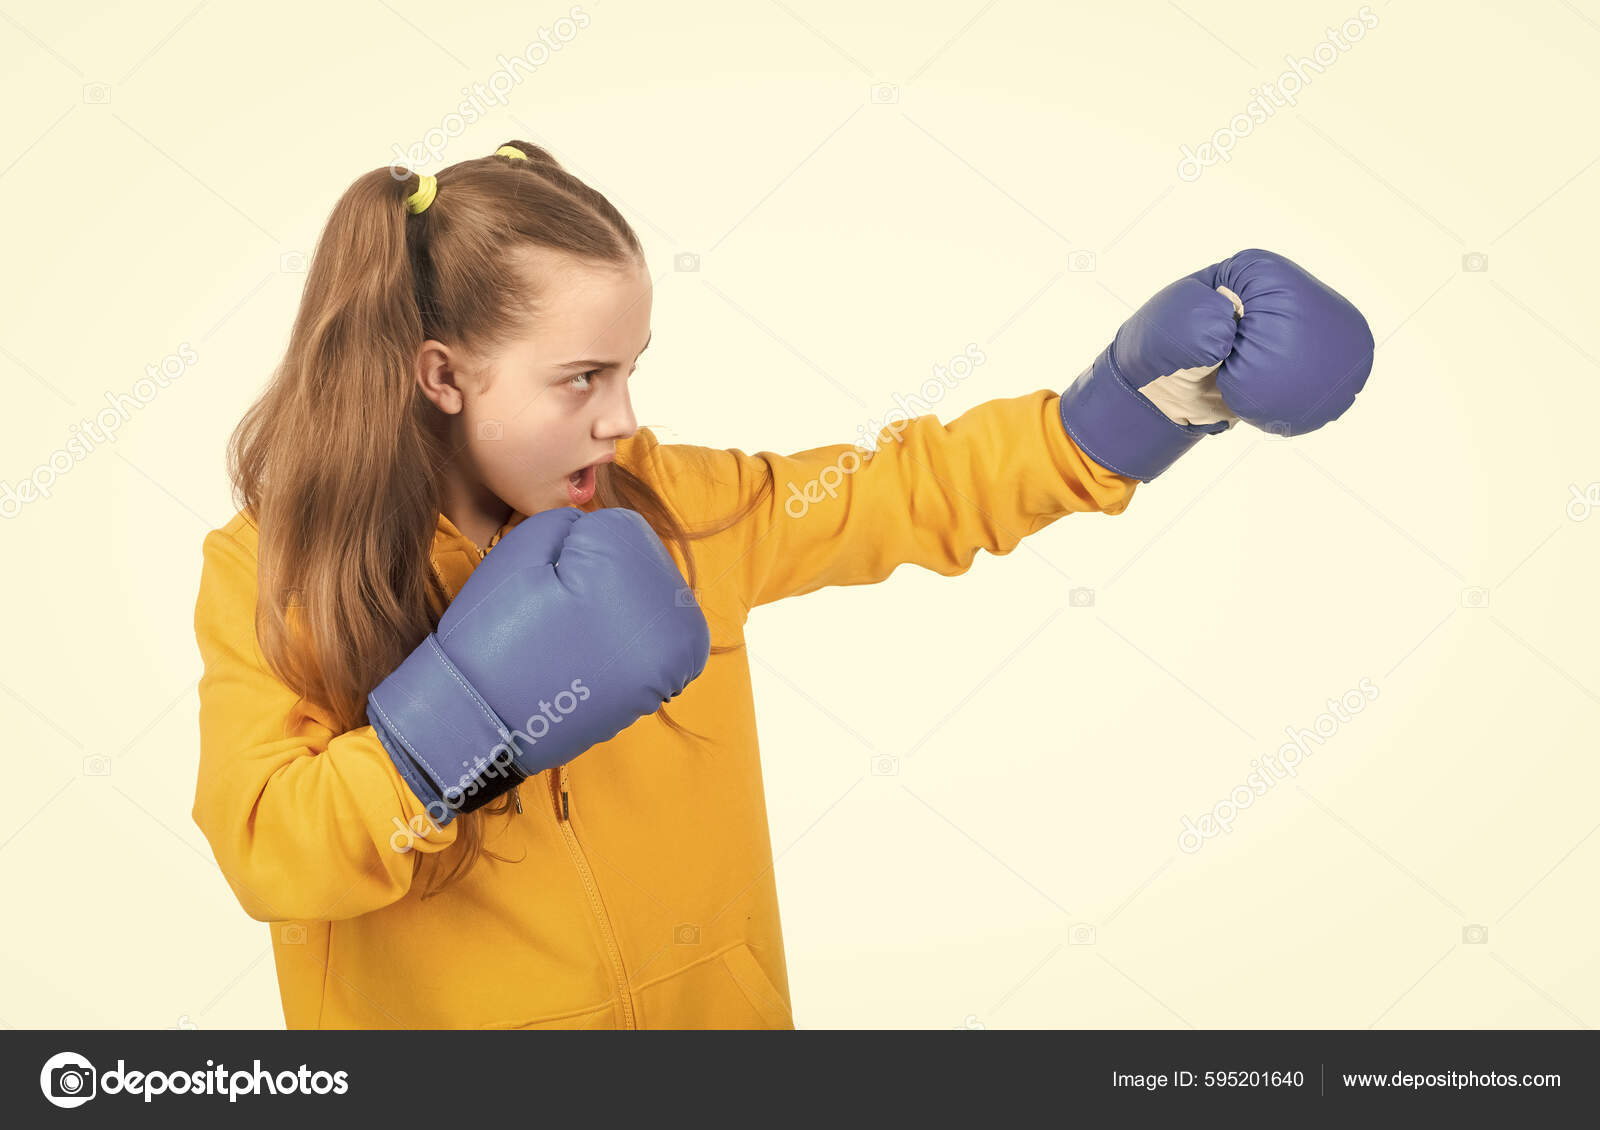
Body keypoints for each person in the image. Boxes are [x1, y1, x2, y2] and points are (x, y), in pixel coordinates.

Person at [191, 140, 1373, 1029]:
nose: (621, 415)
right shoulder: (276, 574)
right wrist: (464, 718)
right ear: (442, 375)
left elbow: (895, 489)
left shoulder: (665, 509)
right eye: (581, 376)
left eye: (632, 368)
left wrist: (1124, 409)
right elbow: (268, 853)